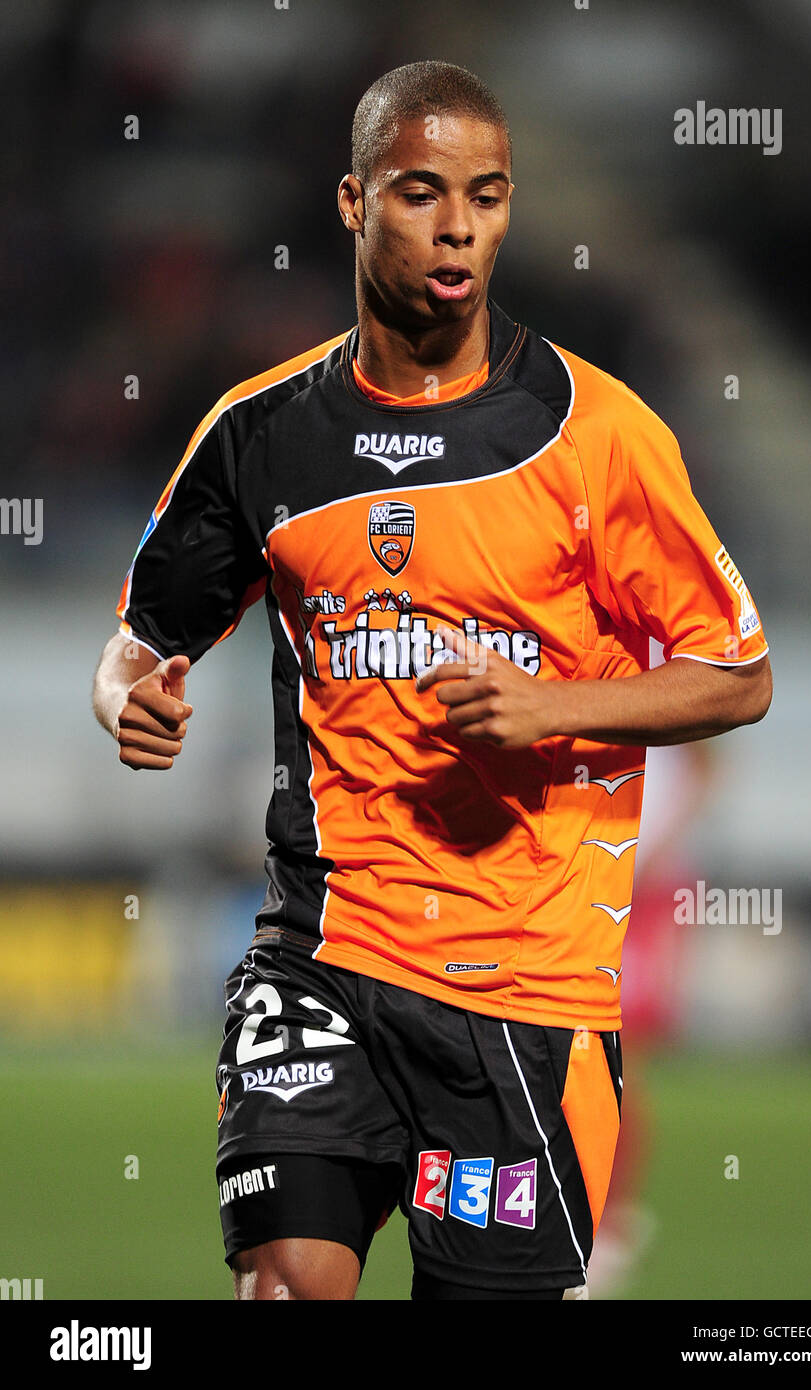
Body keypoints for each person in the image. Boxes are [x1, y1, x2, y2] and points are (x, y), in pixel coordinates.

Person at [92, 60, 772, 1301]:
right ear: (353, 202)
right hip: (322, 947)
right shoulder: (259, 432)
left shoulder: (593, 431)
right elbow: (142, 636)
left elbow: (736, 674)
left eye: (488, 194)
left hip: (519, 979)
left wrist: (553, 706)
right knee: (287, 1282)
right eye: (421, 191)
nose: (459, 224)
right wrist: (127, 693)